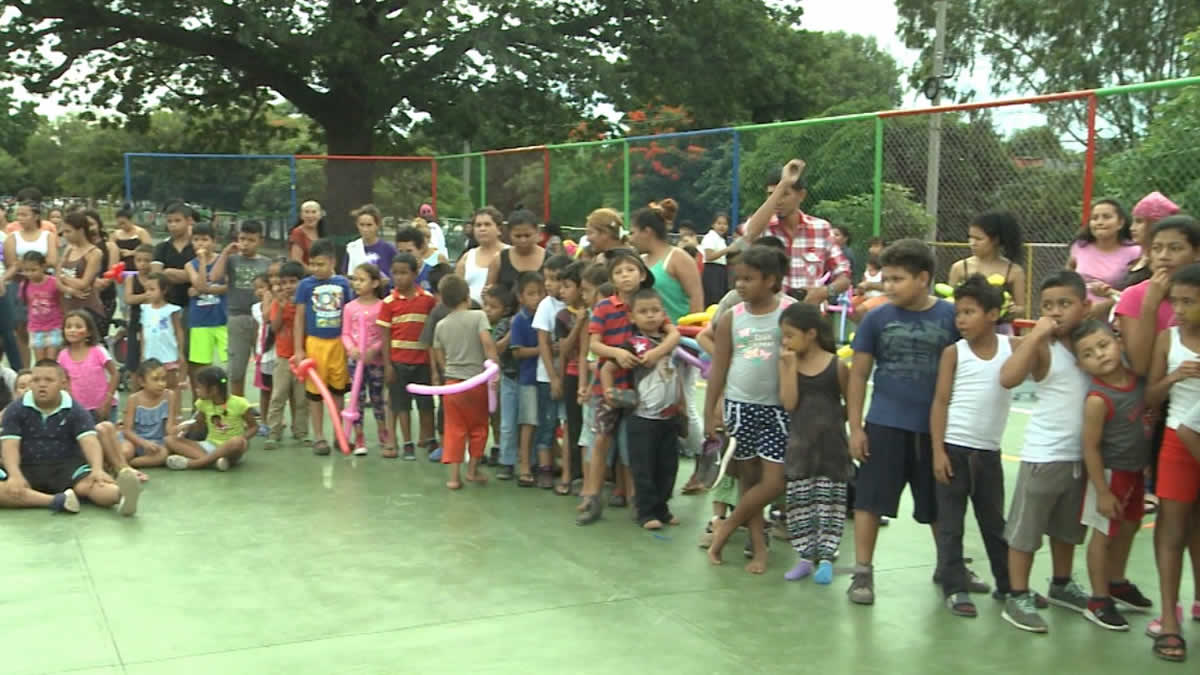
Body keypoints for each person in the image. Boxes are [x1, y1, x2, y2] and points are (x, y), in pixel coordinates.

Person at [845, 239, 960, 605]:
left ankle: (949, 567)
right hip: (885, 424)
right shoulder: (877, 318)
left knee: (940, 503)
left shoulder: (950, 317)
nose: (889, 286)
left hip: (935, 431)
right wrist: (857, 427)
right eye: (886, 278)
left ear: (923, 278)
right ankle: (863, 572)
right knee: (870, 501)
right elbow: (859, 376)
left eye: (897, 278)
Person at [997, 270, 1092, 633]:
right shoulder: (1043, 346)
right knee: (1026, 531)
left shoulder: (1091, 341)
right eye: (1048, 306)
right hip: (1044, 455)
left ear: (1083, 306)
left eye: (1065, 304)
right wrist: (1036, 334)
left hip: (1080, 457)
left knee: (1067, 528)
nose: (1055, 312)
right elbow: (1007, 378)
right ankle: (1017, 593)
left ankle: (1062, 583)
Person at [701, 245, 795, 572]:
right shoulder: (732, 318)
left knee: (775, 480)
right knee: (748, 479)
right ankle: (758, 550)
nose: (740, 285)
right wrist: (711, 409)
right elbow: (720, 366)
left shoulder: (789, 312)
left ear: (771, 280)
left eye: (748, 279)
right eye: (737, 278)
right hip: (741, 408)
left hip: (780, 409)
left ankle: (727, 526)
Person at [930, 275, 1015, 618]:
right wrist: (937, 450)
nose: (960, 320)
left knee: (995, 524)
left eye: (969, 312)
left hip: (988, 453)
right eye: (958, 313)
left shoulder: (1013, 348)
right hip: (954, 450)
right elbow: (940, 401)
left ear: (993, 314)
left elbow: (1045, 344)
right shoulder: (954, 353)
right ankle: (955, 587)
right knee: (951, 524)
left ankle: (1009, 584)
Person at [577, 251, 679, 525]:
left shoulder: (650, 302)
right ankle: (592, 497)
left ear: (642, 274)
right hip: (607, 388)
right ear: (611, 278)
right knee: (600, 441)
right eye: (619, 272)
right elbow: (594, 344)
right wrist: (616, 354)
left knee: (635, 447)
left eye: (630, 270)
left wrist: (658, 354)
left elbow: (674, 333)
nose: (625, 276)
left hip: (643, 391)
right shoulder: (604, 307)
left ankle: (640, 502)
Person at [1072, 320, 1152, 632]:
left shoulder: (1136, 378)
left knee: (1130, 526)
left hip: (1134, 472)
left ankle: (1116, 582)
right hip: (1109, 474)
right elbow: (1090, 447)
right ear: (1081, 364)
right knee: (1103, 533)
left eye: (1103, 345)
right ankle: (1098, 599)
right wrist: (1102, 491)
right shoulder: (1097, 399)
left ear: (1118, 342)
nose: (1100, 355)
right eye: (1089, 353)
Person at [0, 359, 141, 515]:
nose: (41, 384)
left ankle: (122, 496)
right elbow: (9, 444)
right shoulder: (15, 409)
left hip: (67, 467)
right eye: (36, 380)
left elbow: (89, 440)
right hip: (26, 468)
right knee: (8, 488)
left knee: (94, 484)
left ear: (63, 383)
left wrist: (97, 469)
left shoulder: (75, 409)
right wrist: (14, 475)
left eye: (49, 380)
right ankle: (57, 501)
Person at [1145, 262, 1200, 660]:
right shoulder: (1169, 340)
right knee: (1172, 530)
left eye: (1189, 302)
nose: (1179, 309)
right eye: (1175, 301)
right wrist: (1174, 377)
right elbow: (1149, 398)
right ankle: (1168, 619)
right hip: (1177, 442)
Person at [777, 302, 850, 585]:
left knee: (830, 502)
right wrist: (790, 367)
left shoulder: (837, 365)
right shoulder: (787, 364)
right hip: (800, 446)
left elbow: (851, 401)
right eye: (782, 335)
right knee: (800, 501)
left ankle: (828, 557)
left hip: (832, 447)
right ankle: (805, 557)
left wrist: (842, 425)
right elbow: (790, 403)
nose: (785, 341)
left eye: (790, 335)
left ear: (811, 334)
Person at [605, 288, 685, 529]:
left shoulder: (669, 343)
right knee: (644, 466)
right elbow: (607, 369)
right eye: (643, 312)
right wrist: (610, 393)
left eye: (655, 311)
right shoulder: (633, 345)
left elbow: (676, 374)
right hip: (642, 417)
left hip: (669, 416)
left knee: (668, 465)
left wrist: (681, 403)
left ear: (663, 314)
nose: (650, 316)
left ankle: (663, 508)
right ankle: (646, 512)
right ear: (632, 317)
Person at [740, 159, 851, 302]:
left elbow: (844, 275)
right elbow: (749, 233)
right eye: (771, 194)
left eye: (785, 194)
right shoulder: (762, 227)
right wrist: (784, 184)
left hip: (807, 314)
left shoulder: (821, 228)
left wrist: (824, 292)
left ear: (801, 195)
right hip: (768, 313)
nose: (778, 200)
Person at [432, 274, 499, 489]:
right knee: (478, 427)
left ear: (443, 301)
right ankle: (472, 470)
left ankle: (453, 477)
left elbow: (439, 355)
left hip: (452, 385)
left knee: (454, 429)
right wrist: (494, 371)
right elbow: (488, 344)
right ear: (467, 297)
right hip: (477, 382)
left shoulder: (441, 325)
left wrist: (447, 371)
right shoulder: (479, 316)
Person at [292, 239, 353, 456]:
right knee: (316, 394)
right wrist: (299, 349)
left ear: (332, 262)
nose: (316, 269)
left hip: (339, 344)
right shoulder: (305, 286)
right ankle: (319, 436)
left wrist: (350, 344)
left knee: (338, 391)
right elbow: (299, 318)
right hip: (315, 344)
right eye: (313, 264)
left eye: (321, 264)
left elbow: (349, 313)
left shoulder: (344, 284)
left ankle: (339, 434)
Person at [379, 253, 437, 460]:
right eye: (395, 273)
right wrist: (388, 365)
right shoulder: (388, 302)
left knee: (426, 404)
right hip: (398, 362)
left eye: (404, 273)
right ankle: (407, 442)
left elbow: (433, 333)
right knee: (401, 405)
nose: (398, 278)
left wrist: (434, 365)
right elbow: (385, 337)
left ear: (415, 274)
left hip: (422, 362)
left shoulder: (428, 300)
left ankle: (430, 439)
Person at [166, 366, 256, 471]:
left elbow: (254, 427)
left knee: (238, 441)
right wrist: (186, 427)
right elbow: (199, 423)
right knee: (169, 440)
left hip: (231, 449)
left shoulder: (240, 403)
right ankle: (215, 462)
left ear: (213, 389)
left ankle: (194, 463)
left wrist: (243, 438)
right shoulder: (202, 403)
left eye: (199, 387)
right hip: (210, 445)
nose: (196, 390)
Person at [533, 256, 572, 489]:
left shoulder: (575, 306)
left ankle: (568, 471)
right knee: (547, 424)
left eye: (555, 279)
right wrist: (554, 378)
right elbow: (544, 344)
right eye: (546, 278)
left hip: (571, 375)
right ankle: (545, 469)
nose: (548, 284)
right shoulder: (546, 305)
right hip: (547, 377)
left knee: (568, 426)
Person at [4, 201, 58, 362]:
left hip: (45, 284)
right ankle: (25, 366)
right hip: (19, 284)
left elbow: (53, 260)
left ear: (35, 216)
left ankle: (48, 363)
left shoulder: (47, 236)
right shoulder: (12, 237)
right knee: (21, 326)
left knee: (48, 323)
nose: (20, 218)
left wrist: (28, 265)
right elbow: (12, 263)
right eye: (18, 215)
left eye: (24, 214)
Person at [343, 263, 387, 456]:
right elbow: (344, 333)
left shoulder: (382, 306)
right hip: (355, 362)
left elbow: (384, 335)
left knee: (378, 397)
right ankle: (359, 436)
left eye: (362, 280)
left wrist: (374, 350)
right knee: (356, 399)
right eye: (355, 280)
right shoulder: (349, 308)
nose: (357, 284)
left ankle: (383, 431)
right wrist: (351, 348)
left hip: (376, 362)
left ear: (375, 283)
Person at [947, 211, 1026, 319]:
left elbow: (1022, 309)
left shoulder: (1014, 271)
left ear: (995, 240)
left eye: (978, 239)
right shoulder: (959, 268)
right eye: (970, 237)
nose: (972, 243)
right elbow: (950, 301)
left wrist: (1013, 309)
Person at [264, 262, 308, 449]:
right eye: (284, 282)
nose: (288, 286)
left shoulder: (305, 303)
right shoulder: (277, 303)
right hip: (283, 358)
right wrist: (281, 308)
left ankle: (301, 432)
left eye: (293, 281)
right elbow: (274, 327)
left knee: (302, 398)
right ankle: (273, 432)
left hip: (303, 359)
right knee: (278, 396)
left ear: (302, 282)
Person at [223, 221, 270, 397]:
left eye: (251, 240)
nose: (245, 244)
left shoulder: (267, 263)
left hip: (262, 320)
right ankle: (238, 407)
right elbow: (216, 276)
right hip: (237, 317)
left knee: (266, 366)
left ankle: (265, 412)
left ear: (260, 241)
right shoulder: (232, 260)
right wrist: (225, 253)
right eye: (242, 239)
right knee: (236, 369)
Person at [554, 261, 589, 494]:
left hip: (592, 378)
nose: (561, 292)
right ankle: (567, 474)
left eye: (567, 286)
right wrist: (579, 324)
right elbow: (564, 349)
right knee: (571, 426)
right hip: (571, 375)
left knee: (590, 429)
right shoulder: (563, 316)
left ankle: (588, 477)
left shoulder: (595, 311)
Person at [1069, 199, 1140, 311]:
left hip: (1115, 318)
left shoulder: (1134, 252)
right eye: (1094, 218)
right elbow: (1067, 278)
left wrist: (1102, 307)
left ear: (1120, 223)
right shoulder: (1080, 247)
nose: (1099, 222)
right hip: (1078, 315)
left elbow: (1135, 295)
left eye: (1106, 217)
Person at [509, 271, 544, 487]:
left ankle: (543, 462)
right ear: (520, 297)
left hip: (546, 378)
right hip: (528, 378)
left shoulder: (547, 315)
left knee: (546, 422)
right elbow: (517, 352)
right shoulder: (520, 321)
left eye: (541, 293)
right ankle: (524, 465)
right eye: (531, 294)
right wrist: (543, 349)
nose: (537, 298)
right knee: (528, 422)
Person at [185, 223, 229, 383]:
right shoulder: (190, 265)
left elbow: (227, 287)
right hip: (200, 321)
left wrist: (204, 289)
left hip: (222, 319)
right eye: (196, 240)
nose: (200, 243)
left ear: (214, 241)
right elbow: (199, 284)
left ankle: (226, 396)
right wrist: (202, 261)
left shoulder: (223, 261)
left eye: (205, 239)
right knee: (202, 366)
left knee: (229, 362)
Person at [58, 310, 119, 424]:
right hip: (79, 410)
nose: (72, 330)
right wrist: (72, 406)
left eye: (78, 327)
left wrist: (107, 401)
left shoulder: (98, 351)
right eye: (68, 327)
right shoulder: (62, 356)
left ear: (89, 332)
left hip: (104, 406)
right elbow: (63, 382)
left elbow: (115, 374)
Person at [115, 359, 178, 470]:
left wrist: (180, 428)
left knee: (162, 455)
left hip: (157, 442)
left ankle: (130, 464)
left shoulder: (169, 396)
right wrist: (143, 443)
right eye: (155, 379)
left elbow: (169, 428)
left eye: (163, 379)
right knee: (126, 451)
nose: (161, 384)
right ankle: (122, 461)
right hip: (135, 440)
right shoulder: (134, 399)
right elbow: (127, 431)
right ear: (142, 382)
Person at [486, 284, 521, 478]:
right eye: (486, 305)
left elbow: (497, 348)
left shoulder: (505, 323)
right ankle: (498, 448)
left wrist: (510, 334)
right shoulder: (488, 324)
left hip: (506, 376)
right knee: (497, 416)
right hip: (495, 378)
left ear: (506, 309)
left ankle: (502, 452)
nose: (488, 310)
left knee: (503, 418)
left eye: (493, 306)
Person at [57, 211, 106, 335]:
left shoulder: (94, 253)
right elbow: (56, 277)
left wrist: (64, 277)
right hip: (67, 306)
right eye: (63, 232)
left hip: (87, 307)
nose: (65, 235)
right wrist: (69, 289)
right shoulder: (69, 249)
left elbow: (84, 283)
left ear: (81, 230)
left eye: (68, 231)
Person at [151, 202, 196, 338]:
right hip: (167, 304)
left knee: (189, 349)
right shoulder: (161, 248)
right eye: (169, 221)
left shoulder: (197, 246)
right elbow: (156, 276)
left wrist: (170, 272)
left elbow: (204, 276)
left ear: (189, 221)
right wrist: (189, 275)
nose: (173, 225)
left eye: (177, 220)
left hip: (193, 305)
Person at [138, 273, 187, 391]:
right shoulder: (145, 309)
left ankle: (174, 409)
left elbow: (178, 331)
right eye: (147, 289)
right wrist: (143, 353)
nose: (148, 293)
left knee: (172, 387)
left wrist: (180, 351)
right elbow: (144, 333)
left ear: (164, 290)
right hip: (151, 355)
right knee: (153, 387)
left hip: (168, 354)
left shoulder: (171, 310)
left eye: (152, 289)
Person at [1121, 192, 1180, 289]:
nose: (1132, 228)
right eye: (1133, 221)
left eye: (1139, 221)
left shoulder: (1162, 263)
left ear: (1155, 224)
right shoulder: (1139, 258)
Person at [456, 207, 507, 305]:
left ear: (499, 229)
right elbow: (457, 291)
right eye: (478, 225)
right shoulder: (467, 257)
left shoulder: (509, 253)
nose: (482, 229)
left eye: (487, 224)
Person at [488, 209, 547, 294]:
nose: (523, 240)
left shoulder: (549, 259)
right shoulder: (499, 259)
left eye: (527, 235)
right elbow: (489, 293)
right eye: (518, 236)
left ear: (537, 231)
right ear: (509, 234)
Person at [20, 251, 63, 362]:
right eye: (26, 271)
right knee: (40, 362)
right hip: (35, 328)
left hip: (54, 326)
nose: (30, 274)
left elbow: (61, 301)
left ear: (43, 267)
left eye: (33, 270)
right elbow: (25, 303)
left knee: (51, 360)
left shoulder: (53, 283)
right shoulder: (24, 285)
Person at [123, 244, 156, 378]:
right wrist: (146, 296)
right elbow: (128, 298)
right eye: (139, 260)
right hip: (136, 322)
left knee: (152, 357)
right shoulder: (132, 278)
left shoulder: (156, 278)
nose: (142, 264)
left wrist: (140, 298)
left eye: (147, 260)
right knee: (134, 361)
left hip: (154, 322)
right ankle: (136, 391)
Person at [343, 204, 396, 280]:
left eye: (369, 225)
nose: (365, 229)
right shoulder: (352, 248)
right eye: (362, 225)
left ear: (377, 225)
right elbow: (347, 276)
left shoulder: (388, 249)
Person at [700, 212, 733, 306]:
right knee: (713, 300)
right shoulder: (710, 237)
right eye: (719, 223)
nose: (722, 226)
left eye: (725, 224)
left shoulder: (721, 239)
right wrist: (728, 249)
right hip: (712, 272)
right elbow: (709, 256)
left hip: (721, 271)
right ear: (713, 224)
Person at [289, 200, 324, 267]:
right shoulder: (297, 233)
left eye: (314, 212)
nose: (310, 216)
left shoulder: (323, 232)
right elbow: (296, 261)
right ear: (301, 215)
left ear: (320, 215)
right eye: (306, 212)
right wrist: (315, 272)